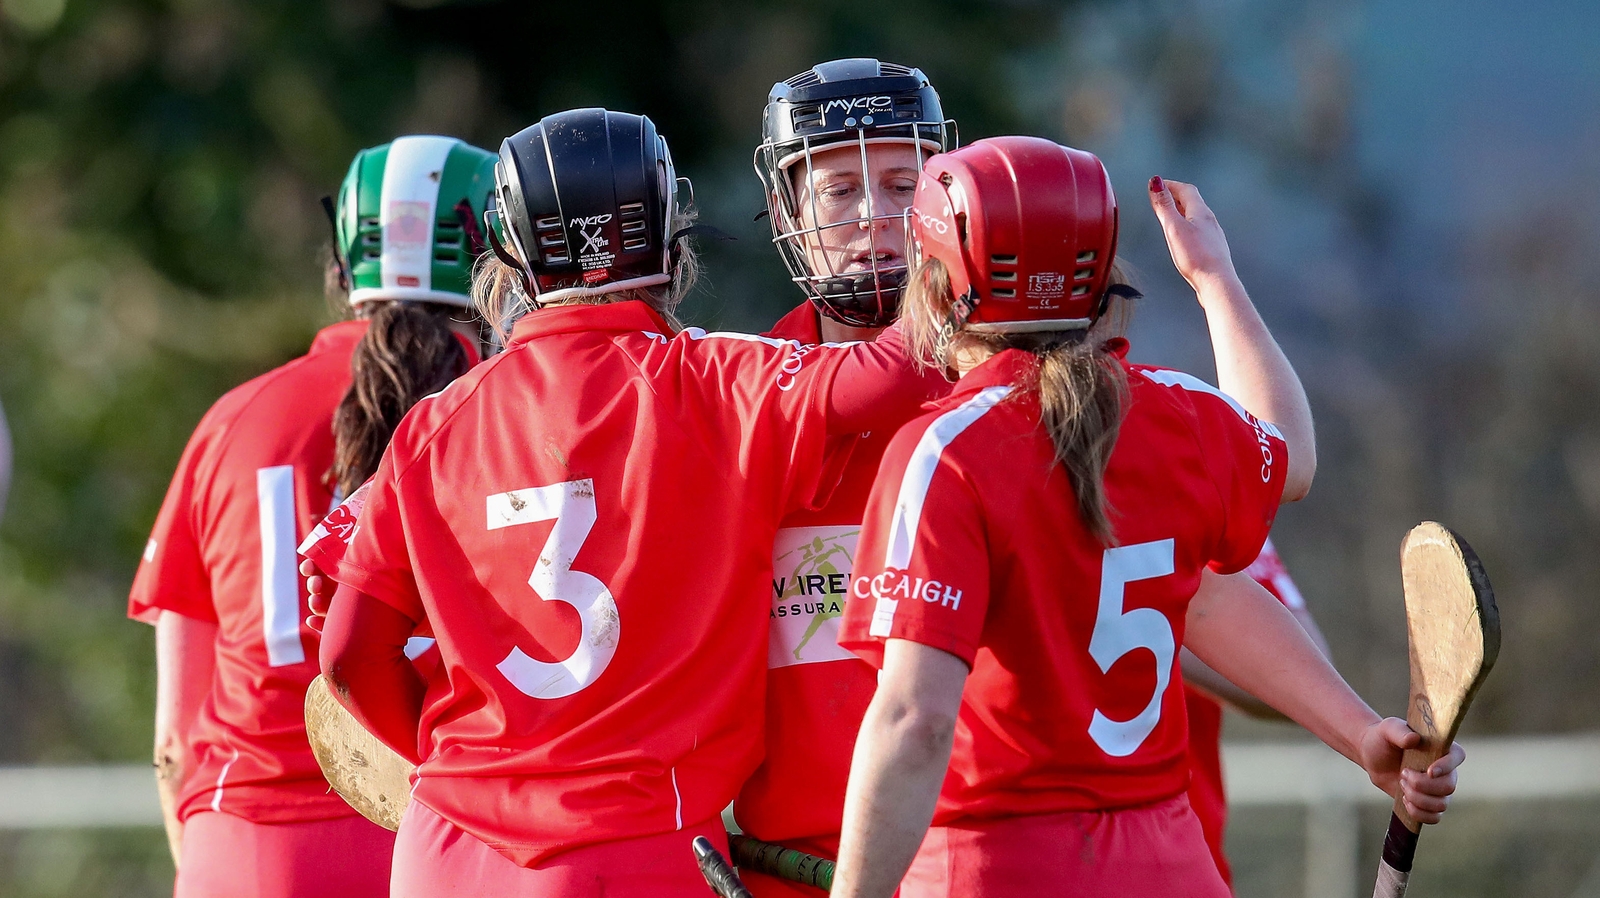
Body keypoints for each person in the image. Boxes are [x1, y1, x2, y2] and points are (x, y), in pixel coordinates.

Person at [310, 107, 945, 898]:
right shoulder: (714, 380)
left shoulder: (437, 421)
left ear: (514, 254)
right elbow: (891, 372)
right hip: (634, 845)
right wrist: (952, 241)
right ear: (668, 243)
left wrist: (462, 775)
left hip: (447, 849)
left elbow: (344, 654)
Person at [830, 137, 1464, 898]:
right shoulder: (1178, 413)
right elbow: (1253, 517)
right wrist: (1214, 277)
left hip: (996, 862)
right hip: (1170, 860)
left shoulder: (943, 452)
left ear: (935, 289)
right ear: (1099, 282)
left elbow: (915, 723)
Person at [129, 134, 496, 898]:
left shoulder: (236, 419)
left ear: (342, 260)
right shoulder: (510, 411)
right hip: (456, 837)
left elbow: (174, 741)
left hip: (249, 844)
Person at [734, 58, 953, 898]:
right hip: (786, 867)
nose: (876, 217)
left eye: (903, 182)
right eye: (839, 191)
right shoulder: (735, 394)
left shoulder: (1010, 391)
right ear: (791, 208)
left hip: (970, 854)